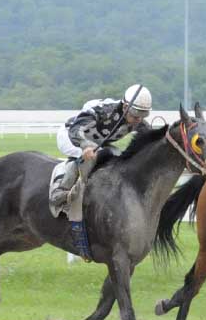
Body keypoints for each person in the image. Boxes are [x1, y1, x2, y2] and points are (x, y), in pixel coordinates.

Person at [50, 84, 152, 250]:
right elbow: (75, 129)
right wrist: (84, 145)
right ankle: (60, 191)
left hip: (96, 143)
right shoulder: (104, 111)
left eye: (143, 114)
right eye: (135, 114)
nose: (138, 119)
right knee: (93, 156)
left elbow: (149, 137)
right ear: (125, 106)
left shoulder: (136, 119)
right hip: (70, 137)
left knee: (118, 157)